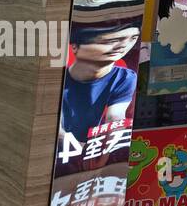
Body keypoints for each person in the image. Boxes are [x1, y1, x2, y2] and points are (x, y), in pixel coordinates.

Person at [58, 22, 141, 162]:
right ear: (75, 46)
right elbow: (56, 130)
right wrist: (82, 151)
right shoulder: (58, 77)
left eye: (133, 38)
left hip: (90, 151)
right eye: (112, 40)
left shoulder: (125, 78)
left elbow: (115, 116)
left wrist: (103, 151)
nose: (123, 46)